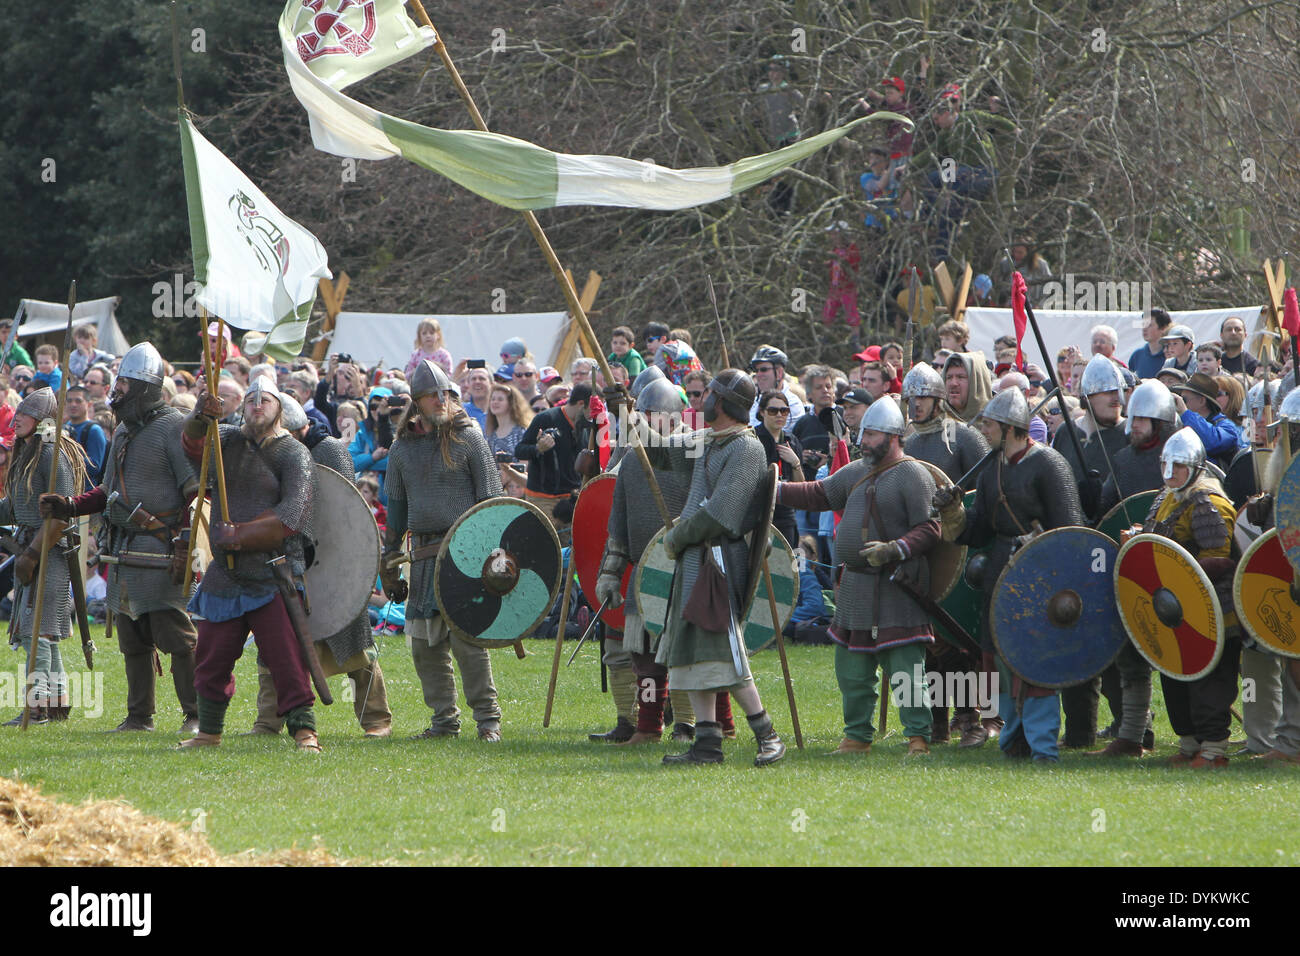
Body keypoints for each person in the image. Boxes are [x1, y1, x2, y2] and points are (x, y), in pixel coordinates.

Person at [39, 343, 199, 734]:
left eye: (125, 384)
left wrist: (187, 543)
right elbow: (107, 490)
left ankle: (197, 716)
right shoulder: (125, 430)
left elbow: (195, 493)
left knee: (176, 638)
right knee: (133, 639)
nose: (117, 390)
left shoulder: (174, 427)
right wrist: (70, 505)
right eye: (119, 382)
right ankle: (139, 716)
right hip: (123, 550)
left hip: (160, 548)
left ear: (146, 386)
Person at [779, 398, 941, 755]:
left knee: (905, 670)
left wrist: (894, 548)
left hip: (897, 586)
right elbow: (819, 493)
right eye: (863, 433)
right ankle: (856, 736)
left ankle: (918, 737)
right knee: (852, 670)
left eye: (872, 433)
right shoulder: (856, 471)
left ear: (894, 436)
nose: (863, 440)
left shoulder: (913, 474)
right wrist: (773, 490)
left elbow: (931, 527)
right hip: (855, 586)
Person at [645, 369, 786, 766]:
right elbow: (658, 452)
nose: (702, 398)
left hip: (720, 559)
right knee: (692, 648)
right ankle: (707, 745)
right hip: (698, 558)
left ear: (721, 402)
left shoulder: (746, 449)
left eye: (708, 393)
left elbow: (722, 515)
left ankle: (768, 734)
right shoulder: (709, 441)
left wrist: (676, 537)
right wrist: (628, 414)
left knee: (723, 649)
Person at [933, 388, 1083, 761]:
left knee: (1033, 663)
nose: (982, 430)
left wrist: (1043, 553)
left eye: (988, 424)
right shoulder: (991, 470)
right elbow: (979, 531)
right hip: (999, 574)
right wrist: (953, 513)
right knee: (997, 661)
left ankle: (1043, 745)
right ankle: (1013, 740)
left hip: (1041, 576)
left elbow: (1070, 531)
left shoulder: (1049, 464)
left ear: (1009, 427)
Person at [178, 379, 320, 751]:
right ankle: (209, 732)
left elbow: (293, 516)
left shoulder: (293, 454)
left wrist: (239, 534)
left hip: (272, 571)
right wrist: (199, 415)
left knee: (286, 659)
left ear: (280, 408)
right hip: (225, 573)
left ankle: (305, 732)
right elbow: (193, 445)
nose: (258, 405)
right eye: (252, 399)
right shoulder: (225, 440)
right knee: (210, 656)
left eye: (266, 400)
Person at [249, 394, 392, 738]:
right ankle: (268, 721)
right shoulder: (268, 450)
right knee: (275, 644)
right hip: (287, 557)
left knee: (352, 642)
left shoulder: (328, 450)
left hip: (331, 559)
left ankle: (376, 720)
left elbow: (343, 507)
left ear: (301, 428)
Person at [381, 360, 505, 741]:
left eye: (447, 394)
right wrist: (389, 561)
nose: (441, 400)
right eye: (433, 396)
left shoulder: (469, 438)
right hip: (421, 556)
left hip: (466, 554)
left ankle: (488, 721)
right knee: (424, 645)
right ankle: (443, 721)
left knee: (468, 643)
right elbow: (397, 511)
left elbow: (492, 501)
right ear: (416, 401)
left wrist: (495, 554)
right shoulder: (402, 450)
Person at [1132, 428, 1241, 768]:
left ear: (1195, 467)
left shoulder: (1207, 501)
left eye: (1178, 466)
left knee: (1210, 681)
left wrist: (1181, 572)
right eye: (1167, 464)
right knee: (1176, 674)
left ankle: (1213, 751)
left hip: (1212, 609)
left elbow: (1221, 558)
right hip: (1173, 609)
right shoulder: (1166, 496)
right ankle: (1190, 743)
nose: (1171, 473)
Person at [592, 379, 693, 745]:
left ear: (673, 417)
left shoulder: (694, 452)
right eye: (643, 414)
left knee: (685, 653)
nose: (646, 420)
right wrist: (609, 574)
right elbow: (619, 526)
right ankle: (648, 726)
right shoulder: (634, 460)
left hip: (687, 569)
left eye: (652, 415)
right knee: (645, 658)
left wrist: (631, 418)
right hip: (644, 573)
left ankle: (688, 724)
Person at [1090, 380, 1181, 756]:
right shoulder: (1123, 461)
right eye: (1135, 417)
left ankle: (1199, 739)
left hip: (1173, 571)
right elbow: (1105, 513)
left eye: (1144, 418)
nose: (1136, 424)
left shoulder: (1180, 456)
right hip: (1129, 567)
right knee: (1130, 657)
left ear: (1160, 421)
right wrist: (1091, 496)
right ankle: (1132, 735)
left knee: (1179, 656)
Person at [0, 388, 88, 725]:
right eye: (17, 412)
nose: (17, 417)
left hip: (48, 553)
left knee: (38, 632)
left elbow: (60, 515)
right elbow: (17, 506)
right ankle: (55, 708)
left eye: (26, 413)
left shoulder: (52, 456)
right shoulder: (28, 454)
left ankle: (37, 710)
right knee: (38, 632)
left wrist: (34, 554)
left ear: (44, 420)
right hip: (30, 550)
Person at [516, 385, 595, 537]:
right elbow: (519, 450)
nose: (593, 415)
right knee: (544, 547)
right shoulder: (546, 418)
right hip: (542, 499)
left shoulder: (586, 427)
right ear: (580, 404)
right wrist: (538, 448)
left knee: (570, 552)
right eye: (592, 410)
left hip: (571, 500)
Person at [754, 390, 805, 548]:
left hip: (786, 516)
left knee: (786, 568)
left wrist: (795, 463)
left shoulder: (792, 441)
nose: (779, 415)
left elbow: (801, 487)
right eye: (773, 411)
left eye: (784, 411)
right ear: (762, 412)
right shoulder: (753, 439)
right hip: (757, 516)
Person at [754, 55, 803, 213]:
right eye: (771, 70)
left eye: (777, 70)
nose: (773, 74)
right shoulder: (763, 90)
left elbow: (805, 102)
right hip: (771, 135)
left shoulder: (789, 89)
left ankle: (788, 204)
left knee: (786, 172)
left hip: (789, 135)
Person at [1171, 371, 1245, 469]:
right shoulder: (1182, 422)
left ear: (1202, 401)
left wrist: (1185, 413)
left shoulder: (1227, 427)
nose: (1181, 403)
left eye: (1184, 400)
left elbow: (1213, 442)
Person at [747, 345, 805, 433]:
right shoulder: (755, 402)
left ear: (779, 373)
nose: (758, 375)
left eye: (763, 369)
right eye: (756, 370)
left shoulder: (793, 404)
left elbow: (778, 439)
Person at [62, 385, 108, 486]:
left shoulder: (94, 430)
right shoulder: (64, 428)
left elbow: (94, 467)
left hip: (84, 491)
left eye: (78, 401)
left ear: (89, 404)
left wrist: (68, 456)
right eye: (69, 401)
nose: (73, 404)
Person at [349, 386, 393, 489]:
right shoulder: (362, 433)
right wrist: (372, 457)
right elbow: (349, 463)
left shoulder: (399, 430)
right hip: (366, 498)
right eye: (373, 406)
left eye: (382, 406)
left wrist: (366, 464)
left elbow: (395, 463)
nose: (378, 410)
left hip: (391, 495)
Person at [822, 222, 861, 330]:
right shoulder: (835, 249)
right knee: (828, 311)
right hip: (835, 286)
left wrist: (842, 259)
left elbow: (853, 262)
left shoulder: (851, 248)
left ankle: (855, 337)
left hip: (848, 286)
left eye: (835, 234)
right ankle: (826, 334)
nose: (832, 237)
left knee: (851, 312)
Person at [992, 241, 1053, 308]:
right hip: (1011, 304)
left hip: (1033, 305)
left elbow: (1049, 284)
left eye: (1020, 252)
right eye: (1015, 251)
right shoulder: (1006, 263)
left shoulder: (1041, 265)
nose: (1017, 255)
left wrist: (1040, 304)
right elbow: (1000, 284)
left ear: (1029, 252)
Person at [942, 351, 993, 424]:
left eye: (961, 377)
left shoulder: (995, 426)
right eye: (949, 377)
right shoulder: (936, 424)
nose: (953, 383)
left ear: (978, 382)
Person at [485, 383, 533, 461]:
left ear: (511, 404)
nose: (495, 402)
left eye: (500, 399)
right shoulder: (491, 436)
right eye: (492, 399)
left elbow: (525, 464)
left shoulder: (521, 432)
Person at [1128, 308, 1173, 379]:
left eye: (1149, 325)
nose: (1144, 328)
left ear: (1163, 328)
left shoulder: (1171, 355)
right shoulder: (1137, 355)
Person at [461, 365, 492, 430]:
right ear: (468, 385)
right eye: (473, 379)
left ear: (492, 384)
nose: (477, 382)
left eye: (482, 378)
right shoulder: (461, 410)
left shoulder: (500, 409)